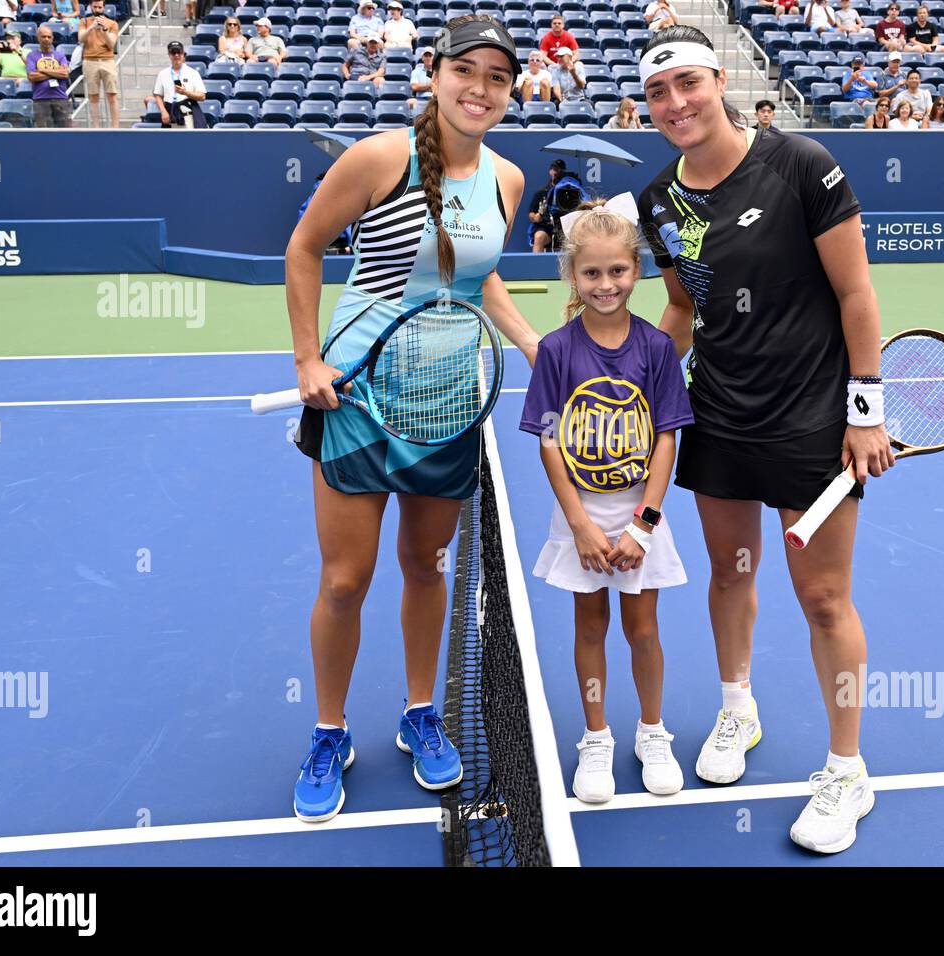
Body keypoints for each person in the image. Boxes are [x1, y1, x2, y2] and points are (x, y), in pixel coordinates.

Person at [636, 25, 894, 854]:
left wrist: (866, 411)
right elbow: (683, 309)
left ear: (721, 80)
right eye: (658, 91)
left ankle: (848, 771)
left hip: (812, 420)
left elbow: (856, 293)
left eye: (688, 83)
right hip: (718, 414)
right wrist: (631, 385)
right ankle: (737, 708)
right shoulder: (658, 202)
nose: (676, 103)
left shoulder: (802, 165)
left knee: (823, 598)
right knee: (729, 572)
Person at [284, 15, 539, 823]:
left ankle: (421, 712)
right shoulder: (379, 157)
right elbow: (304, 247)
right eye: (468, 70)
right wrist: (305, 361)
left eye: (498, 78)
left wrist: (535, 345)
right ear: (434, 73)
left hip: (447, 405)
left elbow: (480, 282)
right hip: (356, 398)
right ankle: (329, 730)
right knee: (344, 579)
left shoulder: (506, 179)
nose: (481, 88)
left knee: (426, 566)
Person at [521, 196, 693, 804]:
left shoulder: (655, 349)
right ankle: (596, 738)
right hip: (581, 516)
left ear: (636, 269)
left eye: (617, 270)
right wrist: (579, 526)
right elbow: (547, 439)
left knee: (642, 628)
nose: (605, 283)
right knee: (588, 625)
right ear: (572, 275)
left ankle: (653, 732)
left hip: (638, 514)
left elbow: (667, 436)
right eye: (591, 272)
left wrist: (644, 524)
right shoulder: (557, 351)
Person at [79, 0, 119, 129]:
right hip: (89, 61)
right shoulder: (84, 22)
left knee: (112, 95)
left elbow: (111, 44)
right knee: (93, 96)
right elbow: (81, 38)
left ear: (104, 8)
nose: (97, 9)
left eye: (99, 7)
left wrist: (104, 29)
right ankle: (96, 127)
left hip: (107, 60)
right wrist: (91, 27)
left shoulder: (112, 24)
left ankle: (115, 127)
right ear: (91, 7)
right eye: (95, 7)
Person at [153, 40, 207, 128]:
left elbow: (202, 96)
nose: (176, 55)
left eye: (179, 52)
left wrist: (185, 92)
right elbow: (158, 95)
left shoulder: (193, 73)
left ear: (183, 54)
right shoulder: (162, 73)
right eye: (173, 53)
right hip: (169, 113)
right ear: (169, 55)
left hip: (187, 115)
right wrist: (163, 111)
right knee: (169, 141)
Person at [27, 25, 73, 128]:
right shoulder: (32, 55)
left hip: (60, 98)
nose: (46, 39)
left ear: (52, 38)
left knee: (65, 133)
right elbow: (32, 76)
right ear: (38, 38)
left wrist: (43, 70)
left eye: (49, 37)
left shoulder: (60, 55)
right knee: (44, 134)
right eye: (43, 37)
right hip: (40, 99)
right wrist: (56, 72)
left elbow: (65, 74)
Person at [527, 159, 565, 252]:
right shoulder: (541, 192)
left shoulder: (569, 192)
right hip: (546, 228)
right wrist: (535, 217)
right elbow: (531, 213)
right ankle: (536, 265)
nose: (556, 173)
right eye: (555, 170)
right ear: (550, 171)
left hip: (565, 228)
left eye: (560, 170)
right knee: (539, 236)